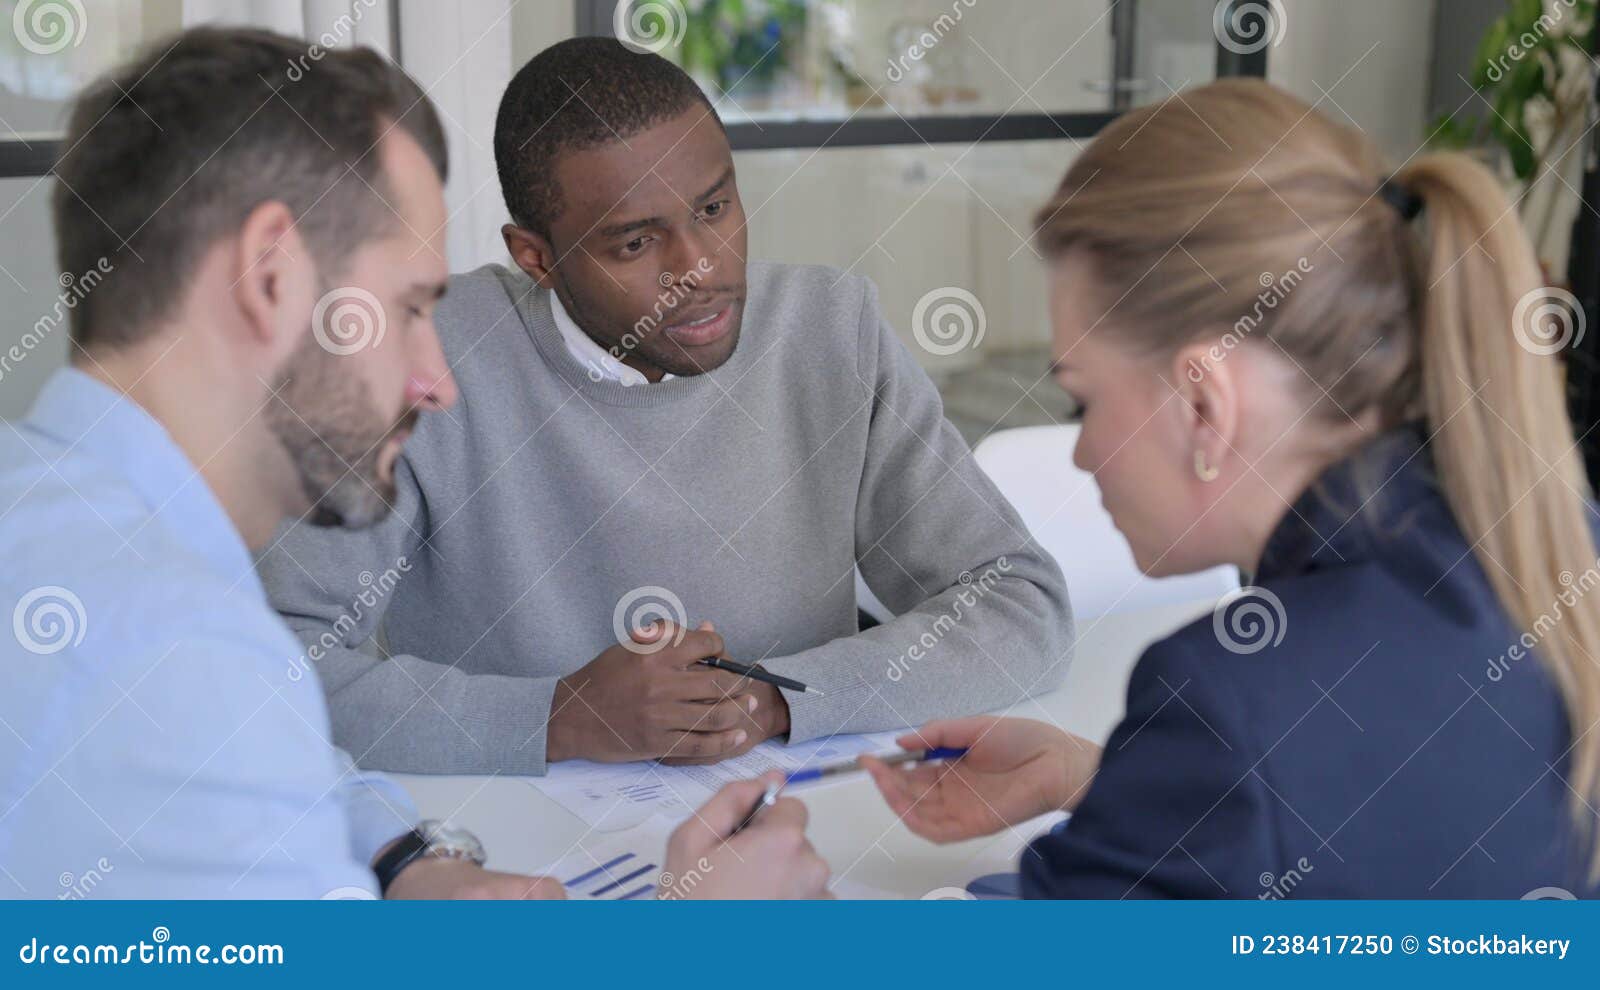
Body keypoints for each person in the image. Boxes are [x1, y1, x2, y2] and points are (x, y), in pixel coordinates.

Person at [0, 27, 827, 900]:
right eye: (407, 309)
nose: (437, 383)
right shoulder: (167, 651)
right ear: (269, 280)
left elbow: (275, 760)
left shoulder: (67, 526)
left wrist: (399, 861)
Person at [864, 78, 1600, 898]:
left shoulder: (1227, 705)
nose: (1080, 454)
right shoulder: (1560, 552)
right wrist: (1122, 787)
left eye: (1083, 397)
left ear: (1205, 404)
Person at [258, 37, 1073, 776]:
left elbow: (1019, 606)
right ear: (534, 258)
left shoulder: (831, 329)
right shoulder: (426, 360)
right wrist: (558, 718)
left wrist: (775, 698)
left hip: (790, 825)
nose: (701, 269)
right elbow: (269, 671)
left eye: (715, 208)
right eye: (636, 243)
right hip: (520, 868)